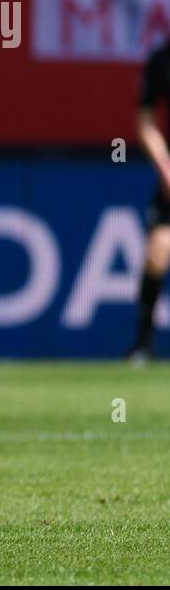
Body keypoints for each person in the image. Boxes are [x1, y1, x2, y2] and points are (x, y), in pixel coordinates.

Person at [127, 41, 170, 365]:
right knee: (157, 252)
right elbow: (145, 122)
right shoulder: (161, 59)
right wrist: (165, 167)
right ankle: (142, 345)